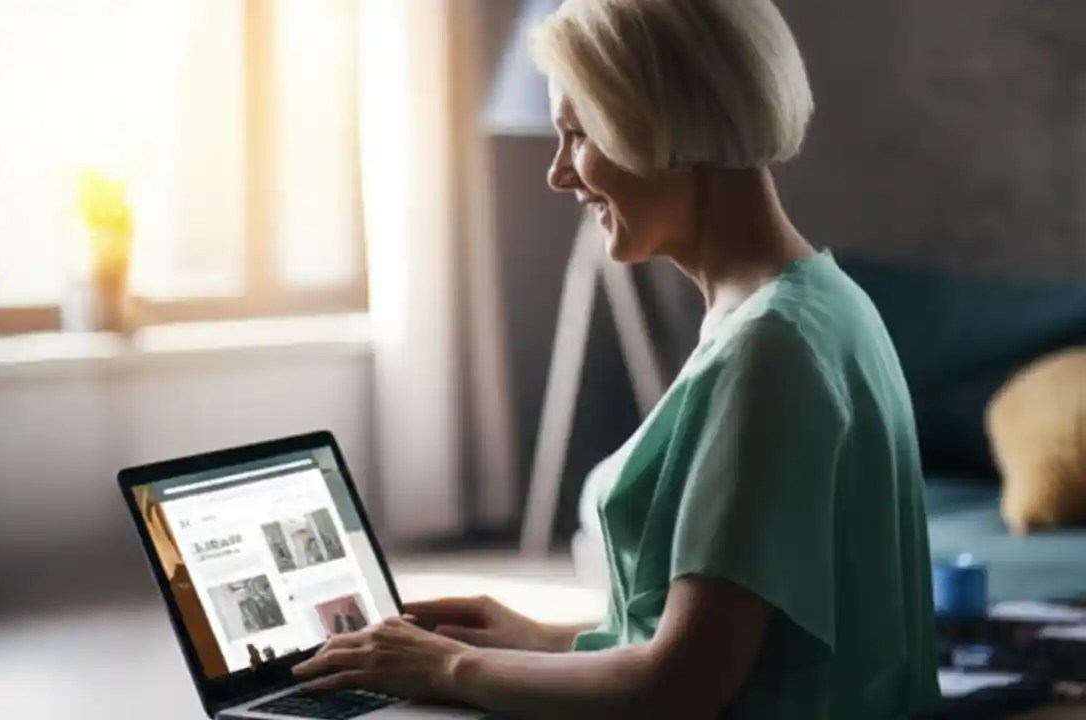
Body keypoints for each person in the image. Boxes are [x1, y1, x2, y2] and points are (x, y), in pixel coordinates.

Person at [294, 1, 940, 718]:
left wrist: (451, 668)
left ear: (665, 128)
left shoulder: (770, 351)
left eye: (577, 135)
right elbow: (734, 641)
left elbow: (678, 687)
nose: (558, 176)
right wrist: (539, 639)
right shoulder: (822, 300)